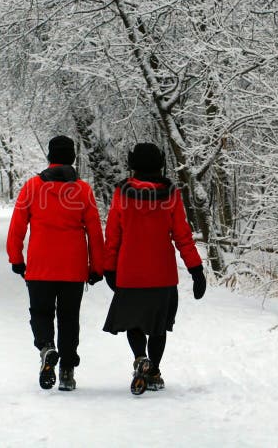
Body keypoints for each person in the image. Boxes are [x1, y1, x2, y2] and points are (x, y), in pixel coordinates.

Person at [102, 142, 206, 395]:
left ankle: (140, 357)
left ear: (132, 163)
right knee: (158, 327)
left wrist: (109, 267)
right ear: (160, 163)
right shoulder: (171, 194)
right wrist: (196, 269)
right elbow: (183, 236)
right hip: (162, 274)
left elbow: (113, 234)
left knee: (134, 324)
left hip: (130, 273)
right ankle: (154, 371)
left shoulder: (121, 193)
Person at [6, 135, 105, 391]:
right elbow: (94, 231)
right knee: (69, 318)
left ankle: (46, 346)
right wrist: (97, 266)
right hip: (73, 268)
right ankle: (67, 371)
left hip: (40, 266)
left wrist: (16, 258)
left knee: (40, 313)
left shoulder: (32, 187)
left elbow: (17, 226)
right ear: (72, 157)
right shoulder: (83, 190)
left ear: (49, 157)